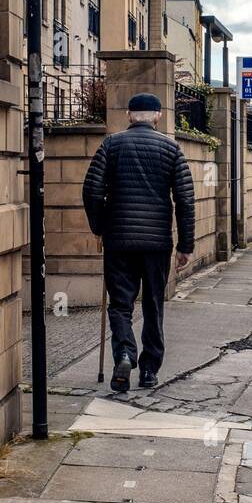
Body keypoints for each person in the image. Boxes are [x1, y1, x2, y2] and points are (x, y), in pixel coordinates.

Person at [82, 93, 195, 392]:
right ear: (158, 116)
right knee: (153, 304)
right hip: (157, 242)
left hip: (119, 239)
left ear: (130, 115)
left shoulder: (111, 145)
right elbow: (184, 199)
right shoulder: (172, 149)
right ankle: (149, 372)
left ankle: (123, 354)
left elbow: (91, 190)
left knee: (120, 305)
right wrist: (186, 244)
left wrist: (99, 226)